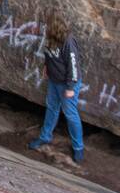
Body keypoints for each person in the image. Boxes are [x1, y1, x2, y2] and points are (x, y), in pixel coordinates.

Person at [27, 16, 85, 164]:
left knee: (70, 114)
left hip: (67, 83)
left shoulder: (68, 41)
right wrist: (46, 67)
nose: (44, 29)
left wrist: (71, 87)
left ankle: (78, 148)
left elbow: (74, 65)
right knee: (52, 107)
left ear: (55, 28)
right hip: (54, 81)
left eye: (47, 26)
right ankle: (45, 137)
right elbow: (49, 54)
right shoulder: (50, 38)